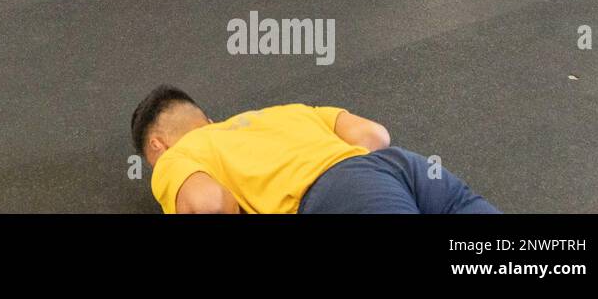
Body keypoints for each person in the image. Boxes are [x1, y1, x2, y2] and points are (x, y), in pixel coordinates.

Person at [131, 85, 499, 214]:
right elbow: (374, 136)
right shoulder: (282, 113)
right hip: (404, 168)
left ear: (157, 144)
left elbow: (211, 205)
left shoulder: (176, 156)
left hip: (336, 195)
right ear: (207, 119)